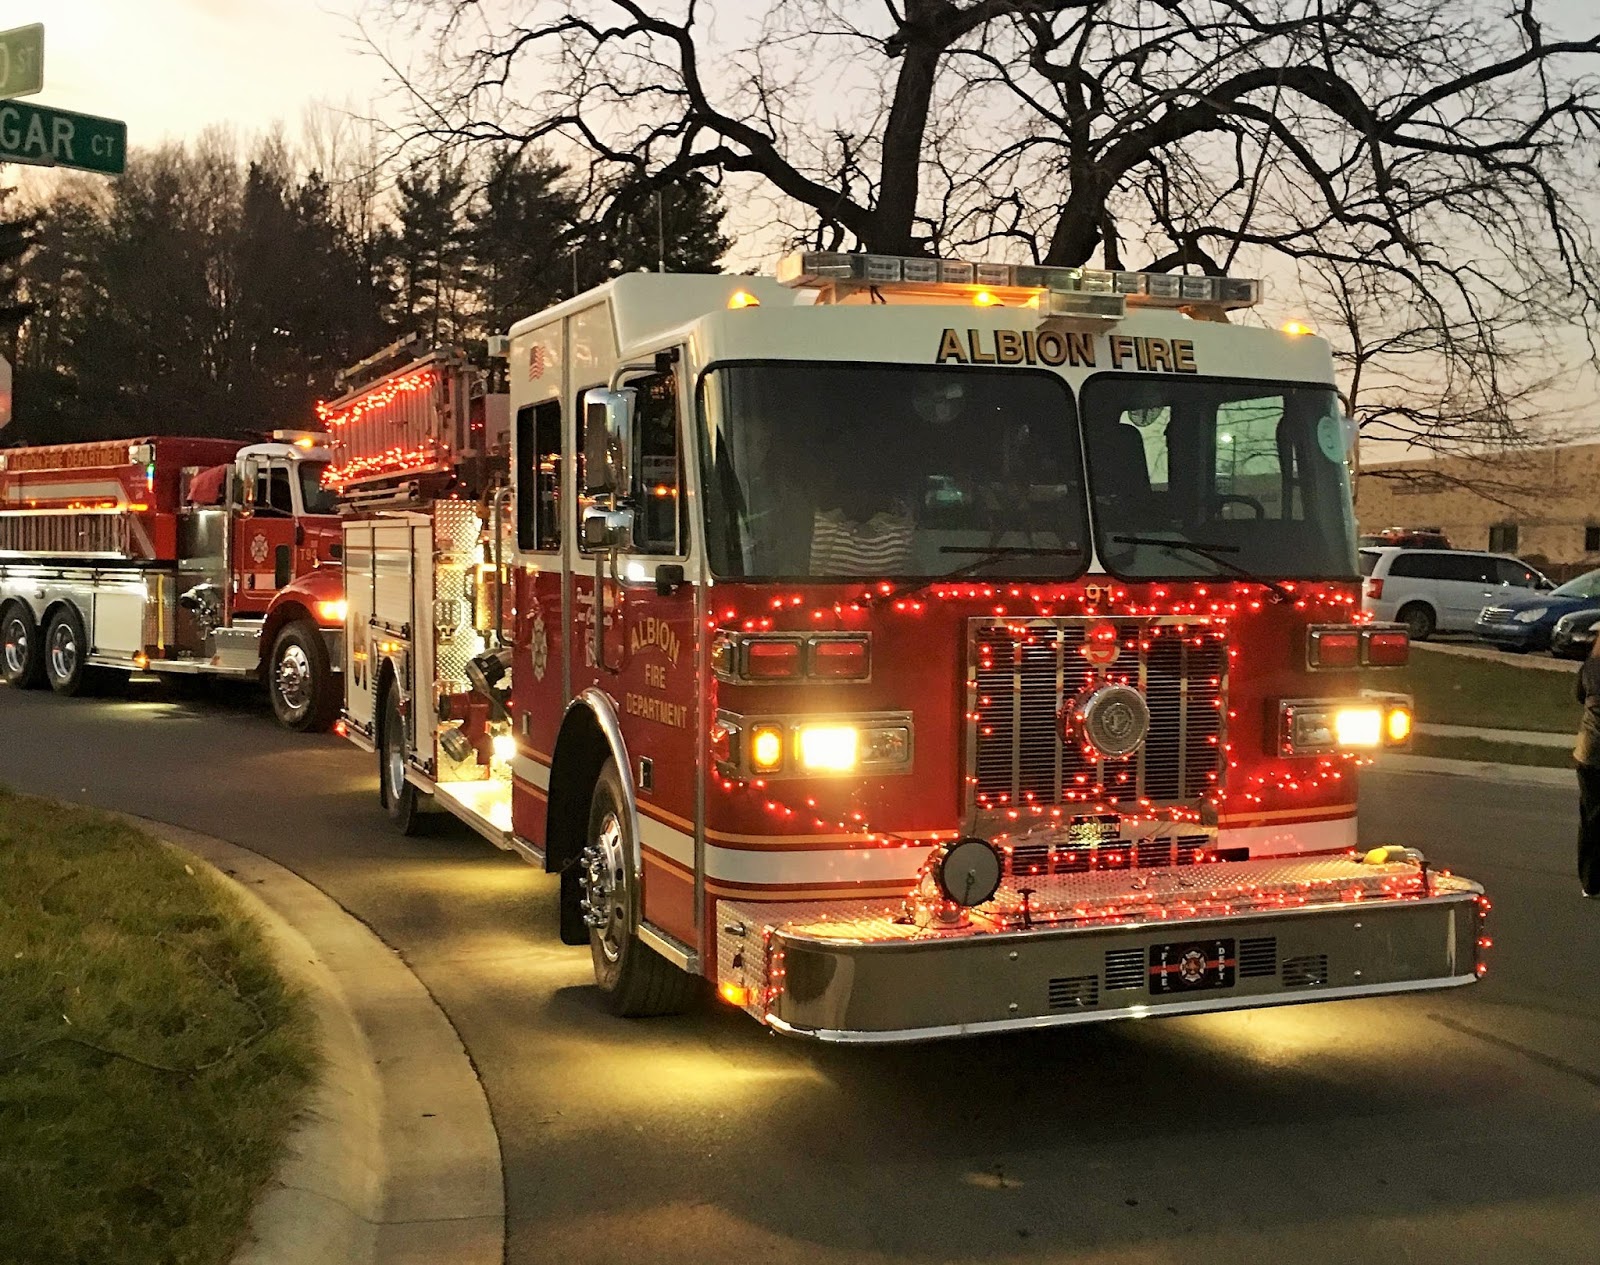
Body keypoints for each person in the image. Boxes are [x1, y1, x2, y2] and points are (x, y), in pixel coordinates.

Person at [1574, 637, 1600, 897]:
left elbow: (1578, 695)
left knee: (1590, 817)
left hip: (1589, 751)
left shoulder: (1591, 667)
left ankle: (1590, 881)